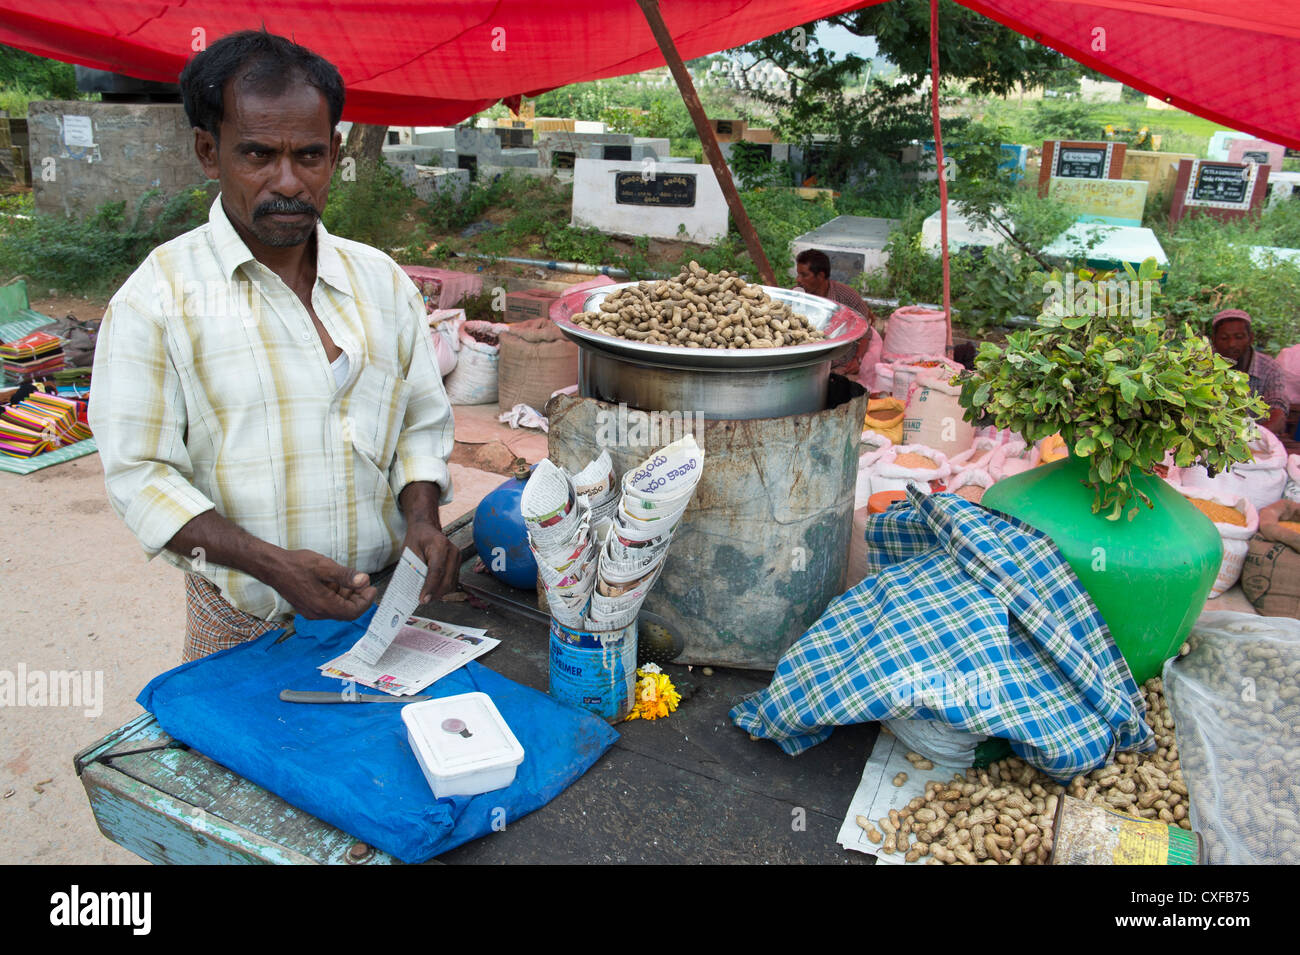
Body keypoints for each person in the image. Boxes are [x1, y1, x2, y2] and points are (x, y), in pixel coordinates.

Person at [89, 30, 458, 661]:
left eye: (309, 157)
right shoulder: (157, 299)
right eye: (258, 155)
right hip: (243, 626)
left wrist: (422, 518)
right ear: (210, 151)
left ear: (336, 153)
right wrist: (272, 566)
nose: (288, 182)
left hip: (388, 608)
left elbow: (420, 425)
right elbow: (141, 476)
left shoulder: (381, 282)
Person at [794, 249, 882, 385]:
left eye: (804, 275)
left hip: (841, 365)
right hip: (810, 364)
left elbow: (865, 332)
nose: (798, 280)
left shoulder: (847, 296)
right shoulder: (798, 295)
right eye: (798, 274)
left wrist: (857, 360)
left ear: (821, 275)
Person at [1210, 309, 1289, 436]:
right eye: (1224, 338)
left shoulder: (1270, 368)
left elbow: (1278, 412)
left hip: (1256, 441)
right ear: (1213, 340)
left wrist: (1249, 439)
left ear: (1250, 338)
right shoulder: (1202, 365)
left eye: (1239, 337)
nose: (1232, 344)